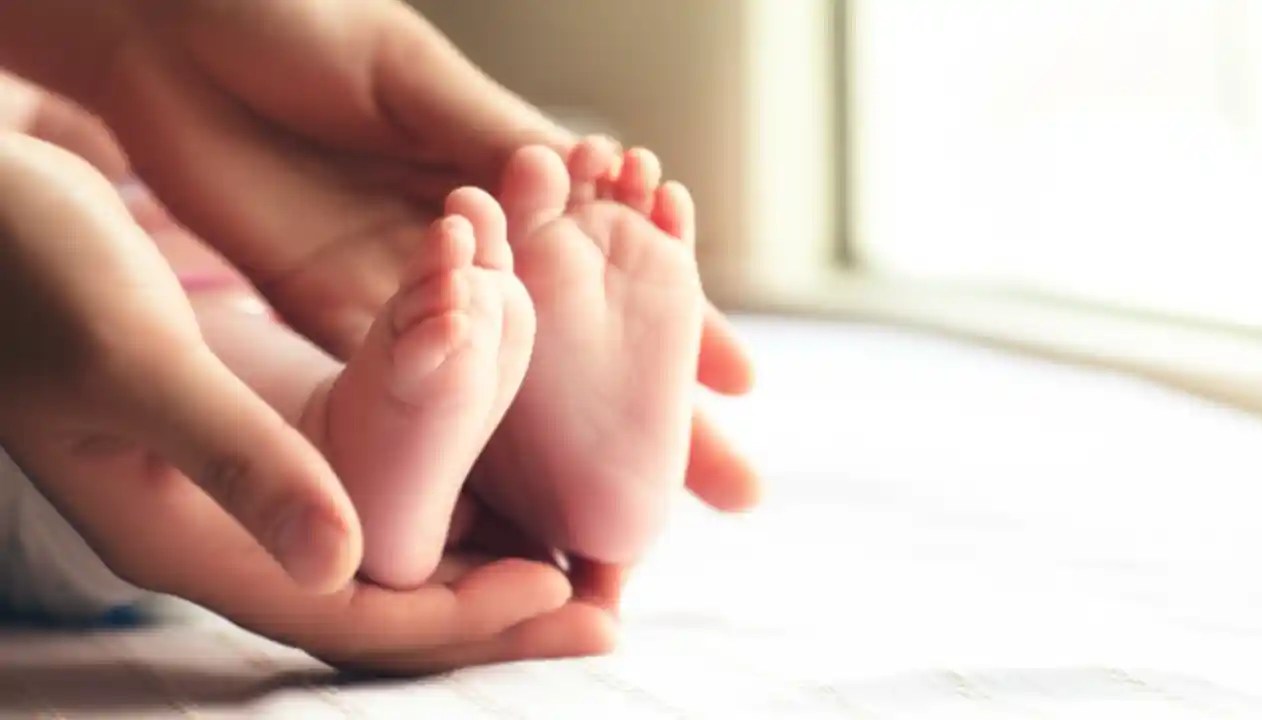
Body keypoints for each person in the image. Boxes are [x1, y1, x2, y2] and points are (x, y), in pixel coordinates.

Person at [0, 0, 759, 673]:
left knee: (369, 349)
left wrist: (134, 39)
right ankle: (346, 444)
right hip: (61, 400)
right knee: (166, 340)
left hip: (144, 347)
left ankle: (488, 450)